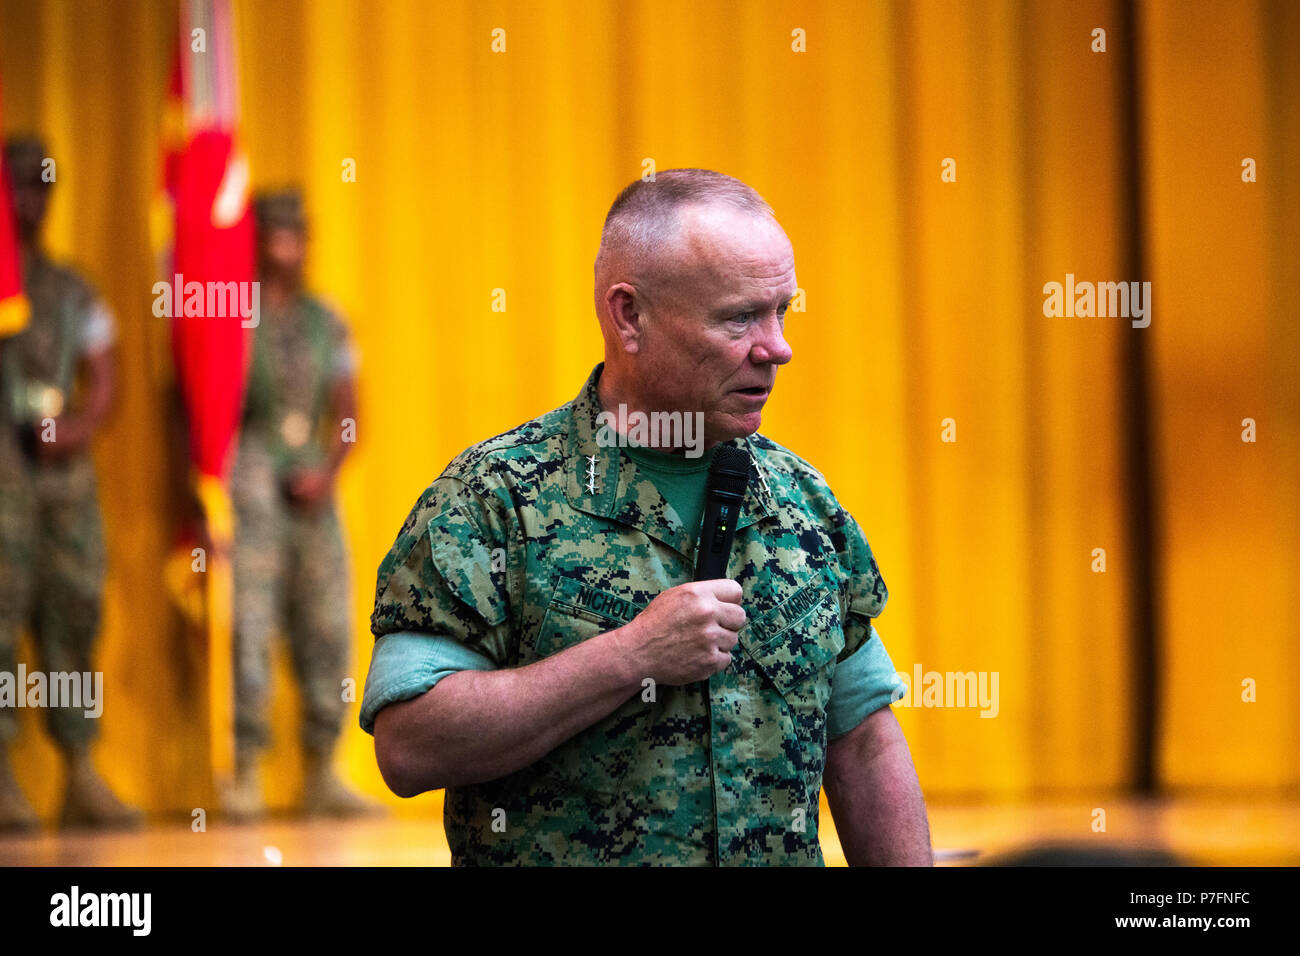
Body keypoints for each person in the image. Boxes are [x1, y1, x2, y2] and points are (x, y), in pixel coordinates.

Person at [362, 168, 932, 865]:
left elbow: (865, 740)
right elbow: (408, 745)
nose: (776, 345)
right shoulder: (495, 498)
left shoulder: (804, 503)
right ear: (629, 316)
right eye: (739, 317)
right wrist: (632, 656)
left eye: (782, 310)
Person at [0, 135, 141, 831]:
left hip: (65, 480)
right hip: (4, 474)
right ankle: (2, 775)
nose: (31, 200)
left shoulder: (71, 286)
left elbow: (105, 377)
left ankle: (79, 768)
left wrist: (77, 428)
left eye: (41, 186)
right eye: (18, 186)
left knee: (75, 615)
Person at [223, 188, 377, 820]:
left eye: (298, 229)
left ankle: (322, 772)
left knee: (327, 624)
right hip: (250, 481)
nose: (287, 240)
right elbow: (200, 410)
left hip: (314, 486)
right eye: (274, 229)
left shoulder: (326, 319)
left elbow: (348, 414)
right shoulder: (230, 313)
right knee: (248, 625)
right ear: (254, 237)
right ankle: (243, 773)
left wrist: (327, 470)